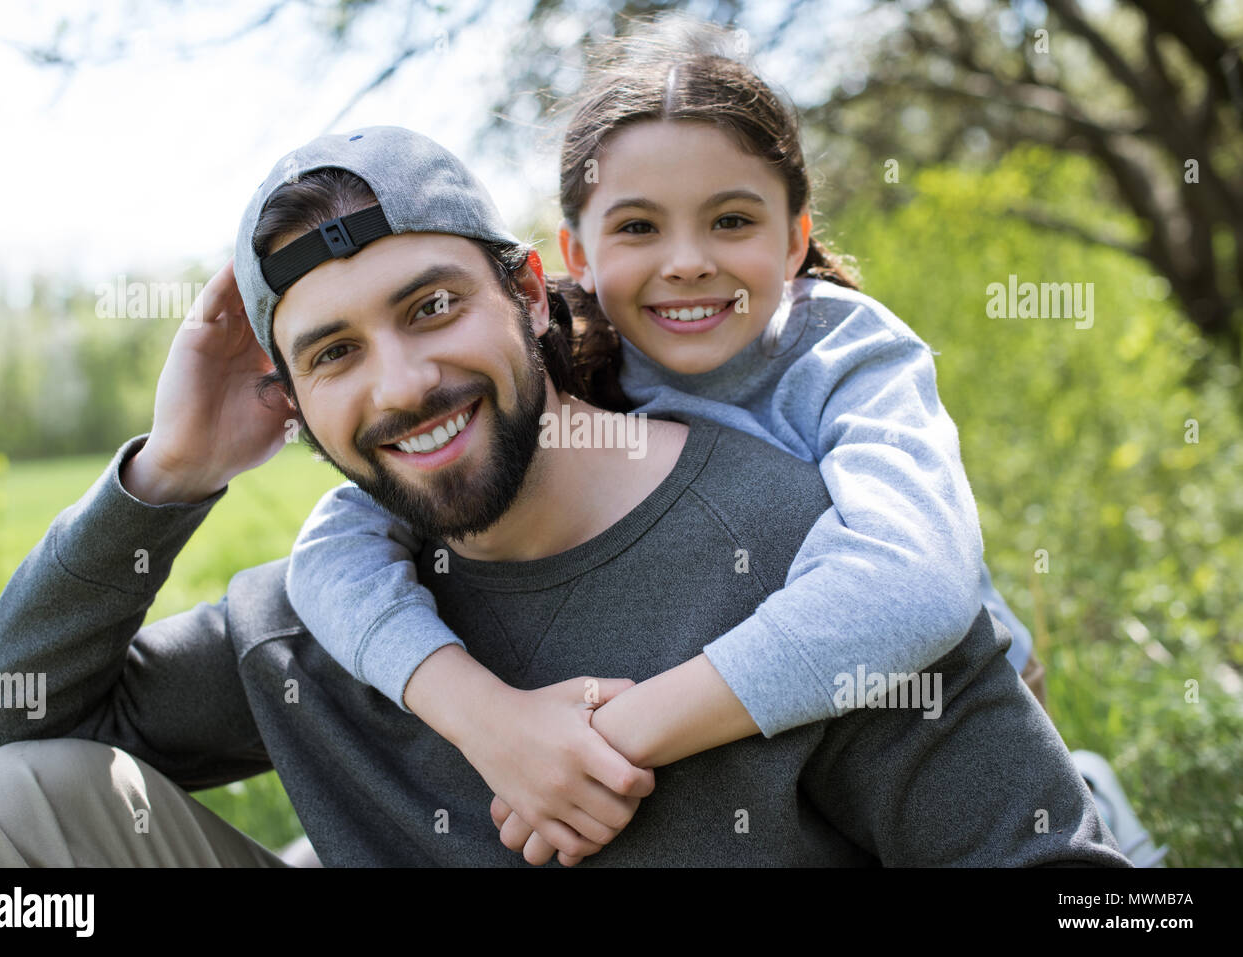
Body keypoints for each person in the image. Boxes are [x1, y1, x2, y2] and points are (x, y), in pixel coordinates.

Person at [0, 125, 1126, 867]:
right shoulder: (319, 618)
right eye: (334, 354)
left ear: (528, 290)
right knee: (19, 804)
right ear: (292, 406)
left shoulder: (810, 563)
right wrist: (166, 479)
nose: (404, 384)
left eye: (430, 307)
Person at [282, 19, 1049, 866]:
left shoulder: (848, 354)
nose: (685, 262)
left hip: (943, 705)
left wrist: (609, 738)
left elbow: (912, 580)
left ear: (794, 239)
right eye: (639, 227)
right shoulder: (559, 358)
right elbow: (330, 549)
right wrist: (493, 722)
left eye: (730, 220)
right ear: (576, 252)